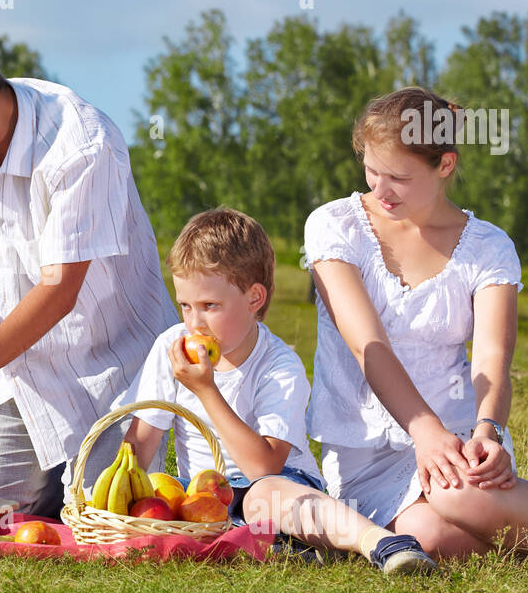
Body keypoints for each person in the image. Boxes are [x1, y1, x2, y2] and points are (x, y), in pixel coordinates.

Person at [305, 86, 528, 565]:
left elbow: (493, 358)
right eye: (371, 170)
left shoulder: (489, 247)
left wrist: (487, 430)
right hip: (365, 449)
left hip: (460, 434)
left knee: (457, 495)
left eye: (399, 177)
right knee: (433, 539)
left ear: (445, 165)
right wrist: (424, 433)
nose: (380, 189)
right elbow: (369, 344)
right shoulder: (334, 226)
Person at [0, 24, 178, 519]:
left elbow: (61, 288)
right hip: (18, 368)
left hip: (120, 367)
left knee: (100, 515)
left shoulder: (83, 145)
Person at [119, 208, 436, 574]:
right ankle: (284, 546)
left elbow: (264, 465)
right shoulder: (171, 346)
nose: (194, 322)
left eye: (210, 306)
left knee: (263, 499)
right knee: (168, 499)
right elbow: (142, 441)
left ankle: (381, 543)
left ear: (254, 299)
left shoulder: (279, 365)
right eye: (185, 306)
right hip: (202, 495)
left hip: (278, 483)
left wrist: (206, 391)